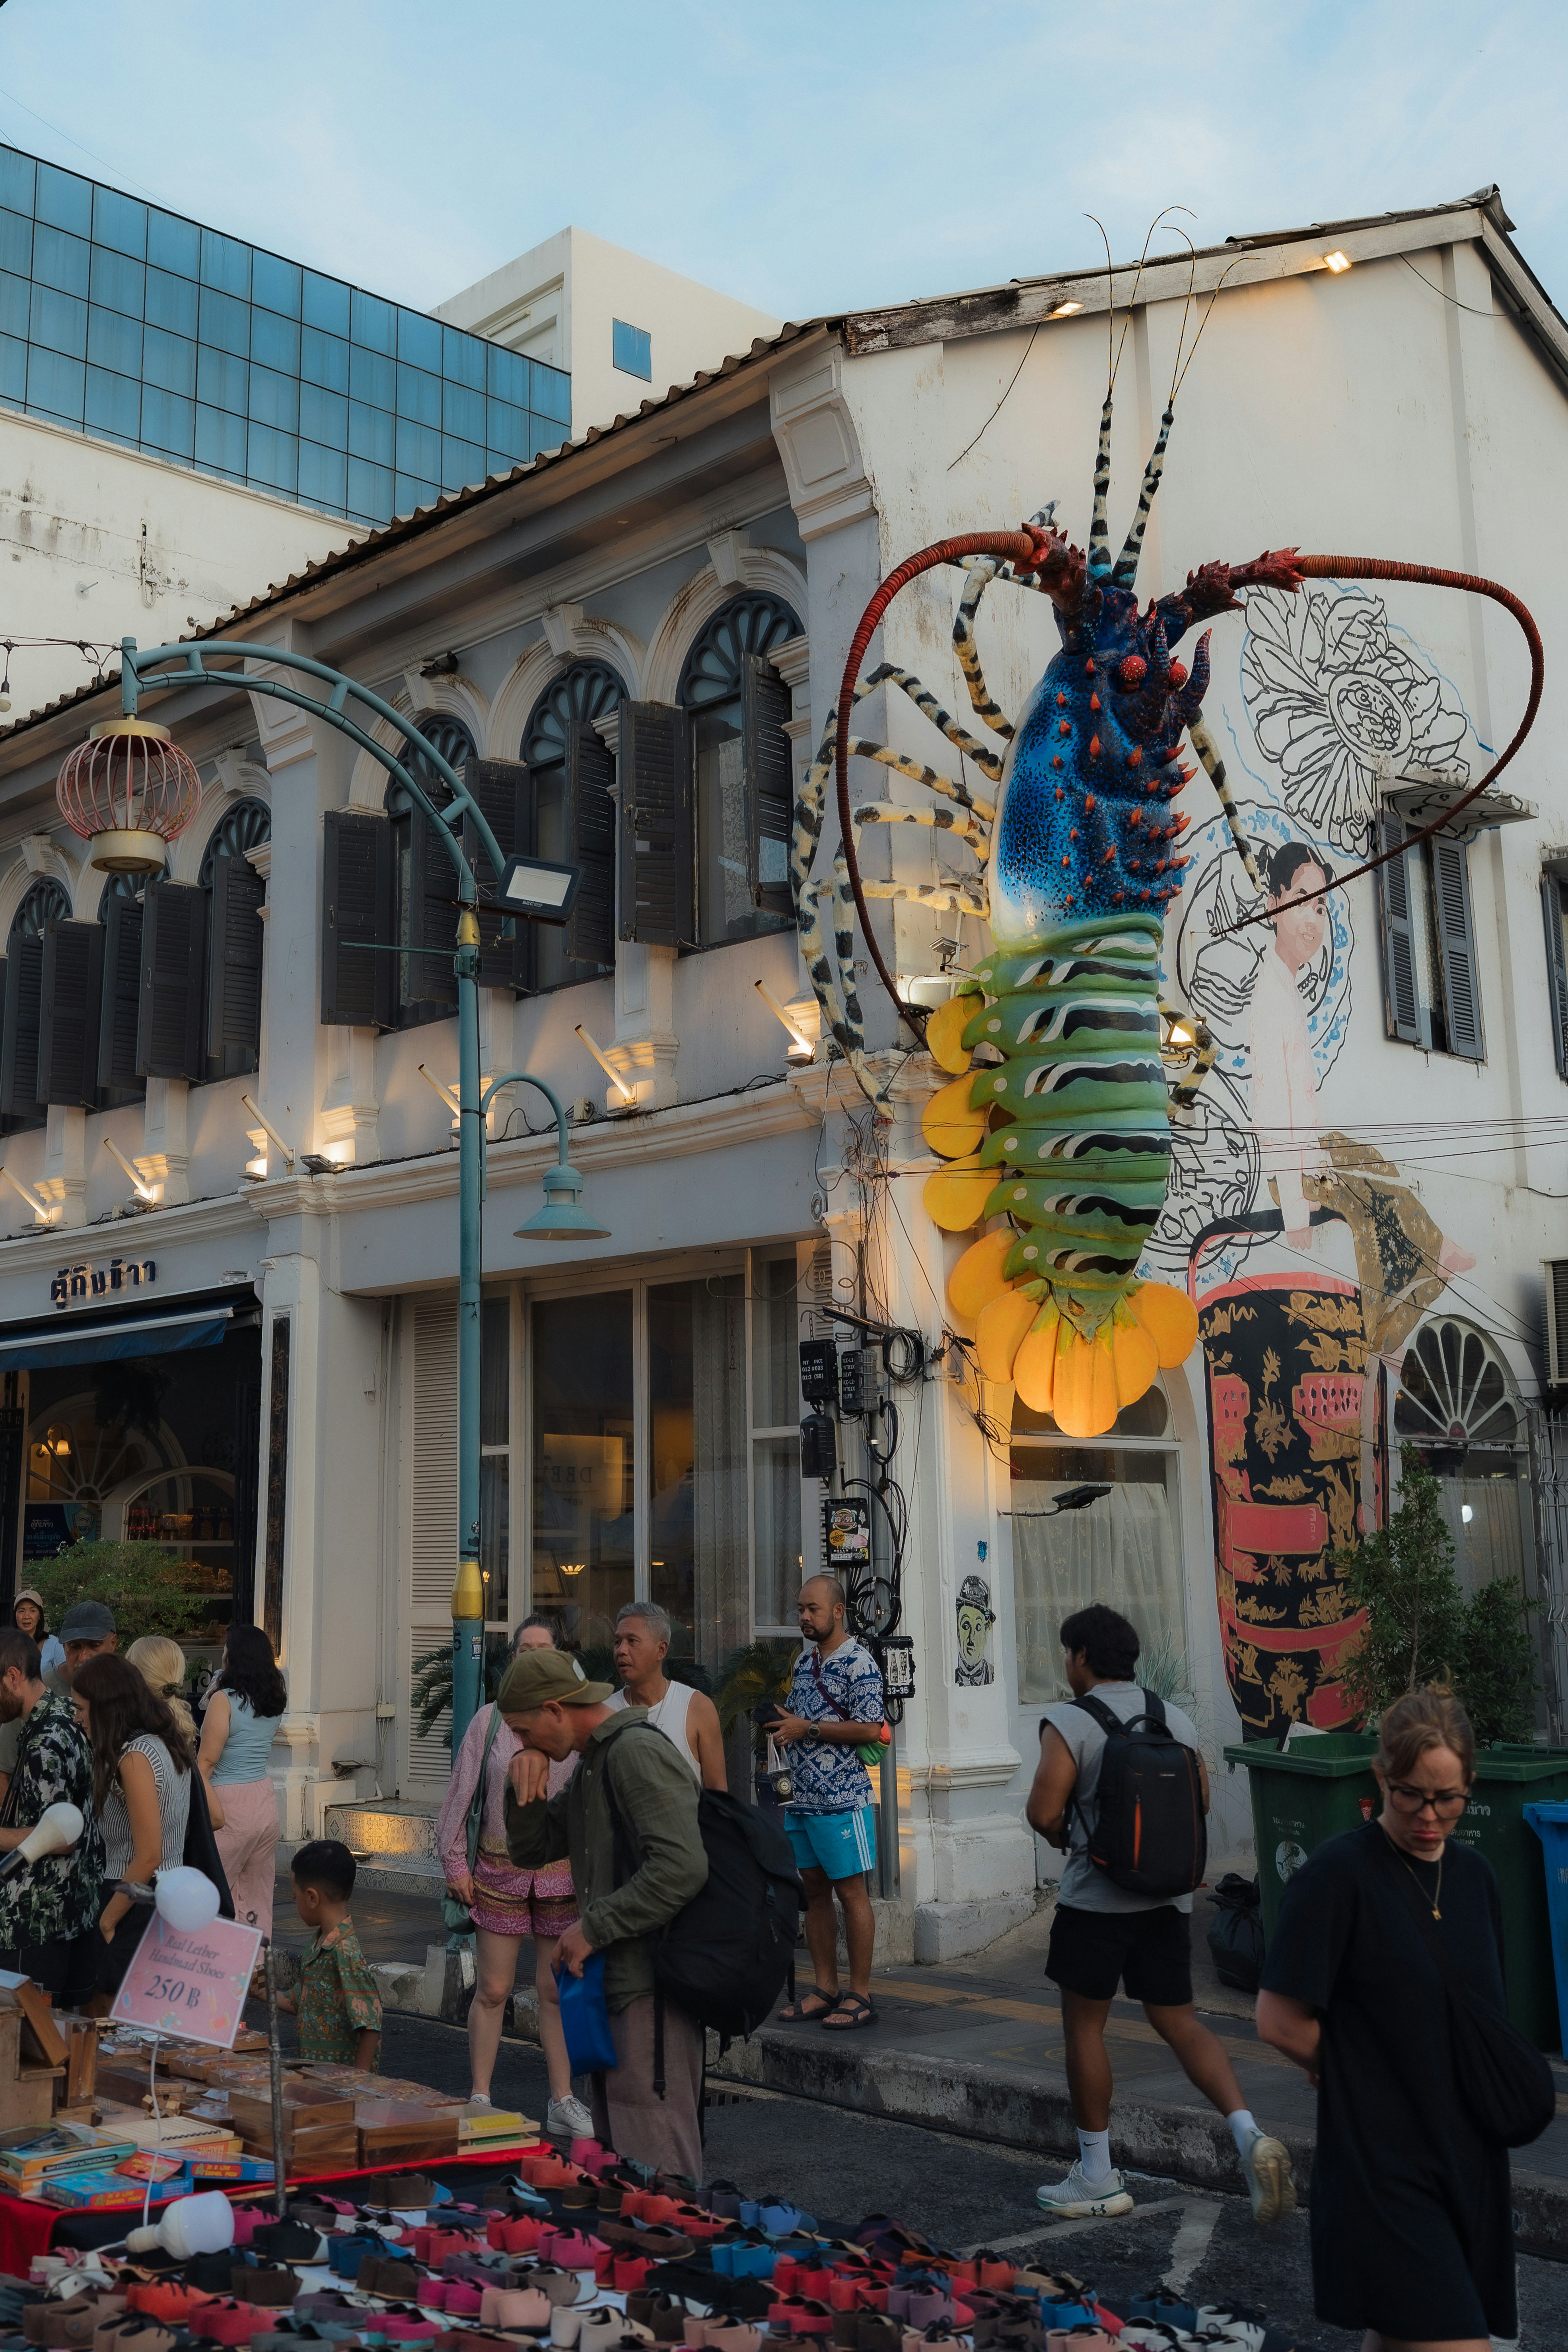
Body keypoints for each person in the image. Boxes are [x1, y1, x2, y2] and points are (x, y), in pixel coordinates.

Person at [1257, 1687, 1513, 2351]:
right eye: (1410, 1795)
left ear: (1469, 1786)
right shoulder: (1337, 1875)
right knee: (1456, 2340)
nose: (1429, 1816)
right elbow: (1278, 2018)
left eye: (1447, 1798)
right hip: (1382, 2159)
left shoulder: (1477, 1876)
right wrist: (1352, 2065)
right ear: (1379, 1776)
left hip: (1465, 2154)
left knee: (1403, 2334)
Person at [1026, 1603, 1295, 2224]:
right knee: (1181, 2024)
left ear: (1083, 1658)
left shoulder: (1070, 1720)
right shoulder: (1170, 1717)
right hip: (1167, 1903)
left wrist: (1075, 1838)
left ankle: (1096, 2175)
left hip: (1095, 1902)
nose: (1067, 1665)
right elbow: (1197, 1800)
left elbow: (1044, 1813)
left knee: (1084, 2030)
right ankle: (1249, 2133)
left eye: (1069, 1655)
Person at [502, 1645, 708, 2175]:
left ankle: (670, 2256)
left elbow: (683, 1867)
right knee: (621, 2164)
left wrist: (594, 1926)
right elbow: (534, 1848)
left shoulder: (633, 1752)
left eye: (525, 1733)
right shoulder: (595, 1761)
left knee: (657, 2166)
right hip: (611, 1988)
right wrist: (522, 1780)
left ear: (554, 1709)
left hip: (650, 1992)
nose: (523, 1743)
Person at [437, 1617, 592, 2139]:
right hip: (497, 1870)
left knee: (554, 1990)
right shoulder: (489, 1720)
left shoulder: (572, 1721)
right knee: (495, 1988)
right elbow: (463, 1790)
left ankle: (562, 2099)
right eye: (523, 1650)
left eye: (541, 1650)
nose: (530, 1658)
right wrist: (454, 1862)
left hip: (560, 1875)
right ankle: (480, 2095)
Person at [771, 1573, 883, 2031]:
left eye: (812, 1609)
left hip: (843, 1800)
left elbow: (871, 1728)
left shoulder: (861, 1663)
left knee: (851, 1894)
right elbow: (801, 1720)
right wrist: (782, 1724)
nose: (803, 1617)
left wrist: (808, 1729)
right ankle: (825, 1988)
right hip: (802, 1800)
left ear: (838, 1611)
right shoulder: (805, 1662)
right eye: (801, 1609)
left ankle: (860, 1995)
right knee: (814, 1892)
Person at [72, 1652, 193, 1998]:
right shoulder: (164, 1743)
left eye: (81, 1708)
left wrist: (108, 1921)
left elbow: (149, 1855)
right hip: (163, 1895)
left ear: (106, 1707)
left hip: (137, 1898)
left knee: (121, 2024)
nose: (78, 1718)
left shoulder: (136, 1757)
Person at [0, 1626, 104, 2001]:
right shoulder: (65, 1714)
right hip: (73, 1911)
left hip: (37, 1918)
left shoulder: (46, 1742)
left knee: (30, 2044)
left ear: (13, 1676)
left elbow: (60, 1837)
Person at [196, 1624, 285, 1936]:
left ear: (234, 1655)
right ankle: (255, 1975)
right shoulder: (273, 1698)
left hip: (227, 1801)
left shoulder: (224, 1699)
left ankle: (214, 1971)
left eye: (226, 1648)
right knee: (256, 1897)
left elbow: (205, 1762)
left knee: (212, 1894)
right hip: (263, 1799)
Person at [278, 1839, 382, 2070]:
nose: (295, 1904)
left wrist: (358, 2083)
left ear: (312, 1898)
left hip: (341, 2087)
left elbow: (370, 2024)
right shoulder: (319, 1943)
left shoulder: (345, 1953)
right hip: (319, 2080)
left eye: (296, 1898)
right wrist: (253, 1986)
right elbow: (298, 2000)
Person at [605, 1601, 728, 1788]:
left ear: (661, 1650)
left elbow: (718, 1794)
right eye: (617, 1642)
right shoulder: (605, 1712)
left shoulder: (696, 1708)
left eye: (632, 1641)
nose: (621, 1650)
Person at [13, 1589, 66, 1688]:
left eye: (32, 1611)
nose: (26, 1616)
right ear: (15, 1615)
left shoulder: (53, 1644)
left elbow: (66, 1677)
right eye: (22, 1611)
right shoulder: (6, 1645)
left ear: (40, 1615)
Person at [58, 1599, 116, 1687]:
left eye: (95, 1646)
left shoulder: (131, 1687)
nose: (83, 1658)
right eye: (74, 1647)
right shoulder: (40, 1690)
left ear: (113, 1643)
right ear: (64, 1648)